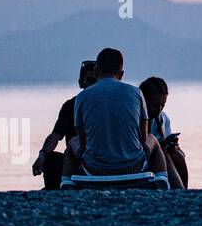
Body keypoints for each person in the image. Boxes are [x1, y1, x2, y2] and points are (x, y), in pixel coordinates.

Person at [61, 48, 174, 186]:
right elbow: (143, 137)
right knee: (153, 139)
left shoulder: (82, 97)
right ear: (121, 74)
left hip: (95, 170)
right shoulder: (136, 93)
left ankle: (66, 182)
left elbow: (83, 141)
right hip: (133, 167)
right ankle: (162, 179)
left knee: (73, 142)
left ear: (96, 70)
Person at [31, 59, 96, 190]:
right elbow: (56, 135)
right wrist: (43, 154)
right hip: (76, 161)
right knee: (51, 159)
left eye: (96, 81)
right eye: (90, 80)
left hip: (103, 160)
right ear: (81, 83)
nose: (93, 85)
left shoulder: (108, 106)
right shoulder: (71, 106)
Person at [140, 76, 188, 188]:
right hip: (140, 159)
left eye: (162, 106)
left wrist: (172, 146)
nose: (159, 109)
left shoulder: (162, 119)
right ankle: (178, 190)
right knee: (164, 154)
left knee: (177, 155)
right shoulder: (134, 118)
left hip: (158, 158)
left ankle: (184, 190)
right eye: (154, 105)